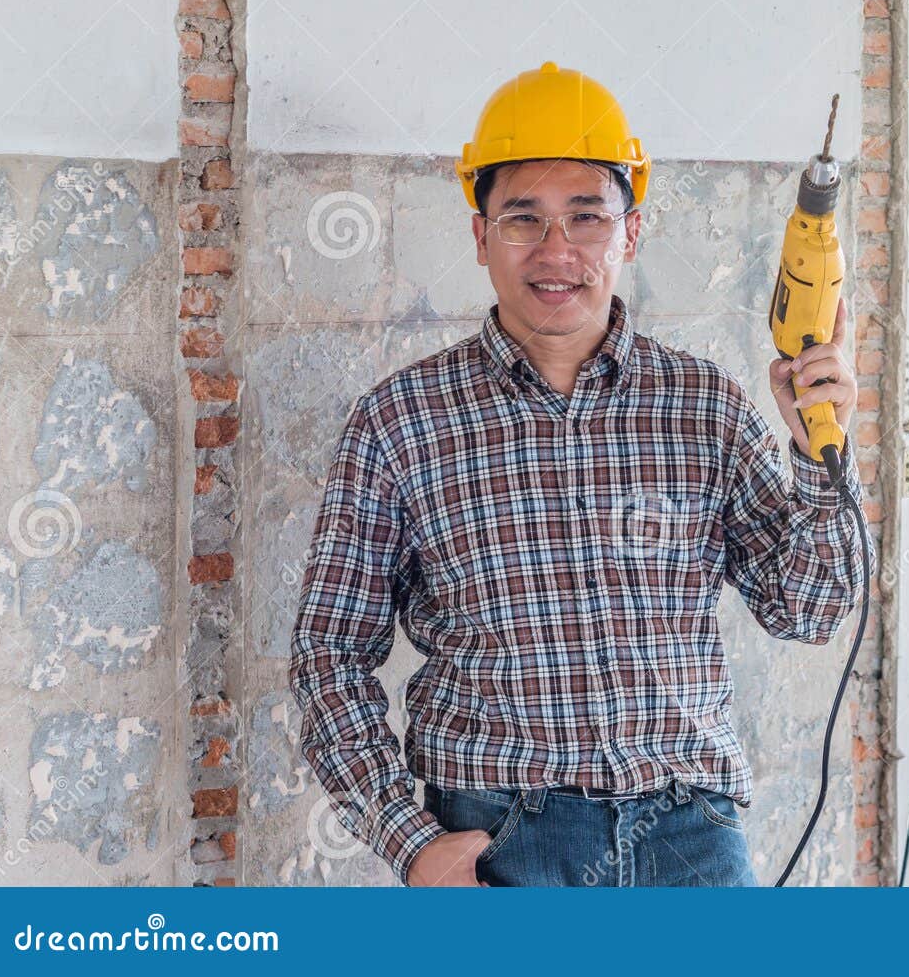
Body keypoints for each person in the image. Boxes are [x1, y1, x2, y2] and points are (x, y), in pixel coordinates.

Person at [288, 62, 873, 887]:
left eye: (587, 217)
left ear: (630, 233)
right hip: (507, 840)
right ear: (480, 234)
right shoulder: (401, 424)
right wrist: (409, 838)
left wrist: (821, 444)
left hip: (692, 840)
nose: (556, 250)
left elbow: (810, 609)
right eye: (523, 218)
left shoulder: (704, 406)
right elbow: (328, 655)